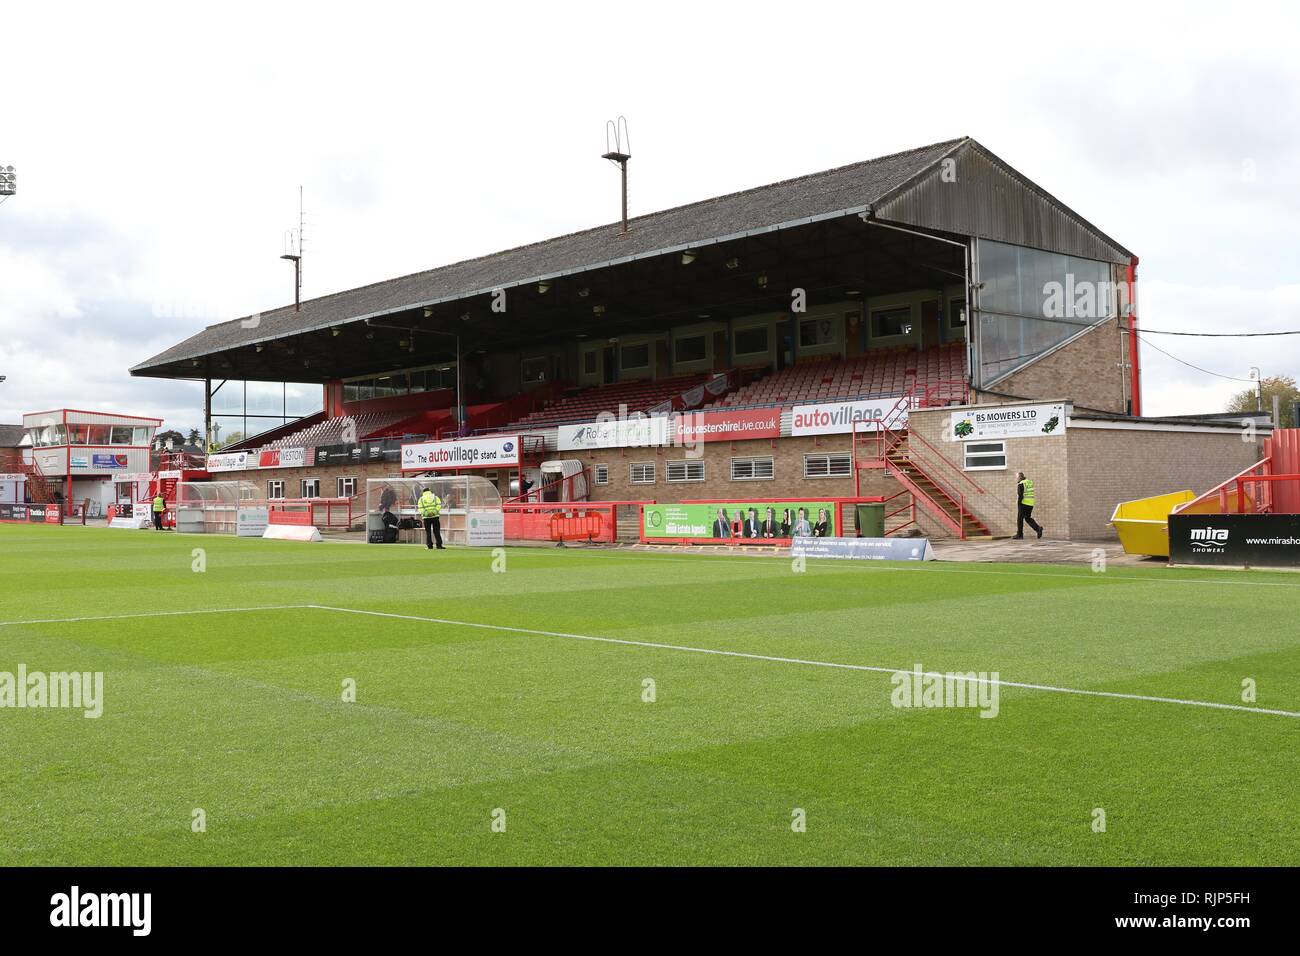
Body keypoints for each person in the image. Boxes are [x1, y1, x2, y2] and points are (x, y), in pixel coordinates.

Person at [1013, 471, 1043, 540]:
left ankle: (1019, 535)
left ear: (1020, 477)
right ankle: (1038, 528)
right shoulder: (1029, 482)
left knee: (1019, 519)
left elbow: (1020, 495)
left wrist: (1018, 503)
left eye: (1016, 477)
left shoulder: (1021, 483)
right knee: (1027, 518)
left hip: (1023, 503)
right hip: (1030, 503)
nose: (1016, 478)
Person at [418, 486, 445, 550]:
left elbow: (421, 508)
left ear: (423, 492)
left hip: (426, 518)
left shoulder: (421, 499)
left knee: (428, 532)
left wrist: (427, 514)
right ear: (429, 491)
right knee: (437, 531)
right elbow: (439, 505)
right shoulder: (435, 497)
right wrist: (433, 513)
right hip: (435, 517)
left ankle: (429, 545)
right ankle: (439, 545)